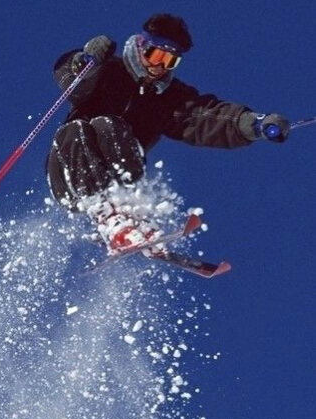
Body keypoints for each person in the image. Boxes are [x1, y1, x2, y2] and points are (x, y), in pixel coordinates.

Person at [46, 13, 290, 253]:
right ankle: (105, 213)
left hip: (122, 175)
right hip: (69, 172)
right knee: (86, 128)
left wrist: (253, 123)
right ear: (141, 45)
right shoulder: (108, 70)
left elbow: (208, 117)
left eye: (170, 61)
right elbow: (68, 78)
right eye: (156, 55)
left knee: (111, 128)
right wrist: (87, 60)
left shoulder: (169, 99)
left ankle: (130, 217)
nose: (160, 66)